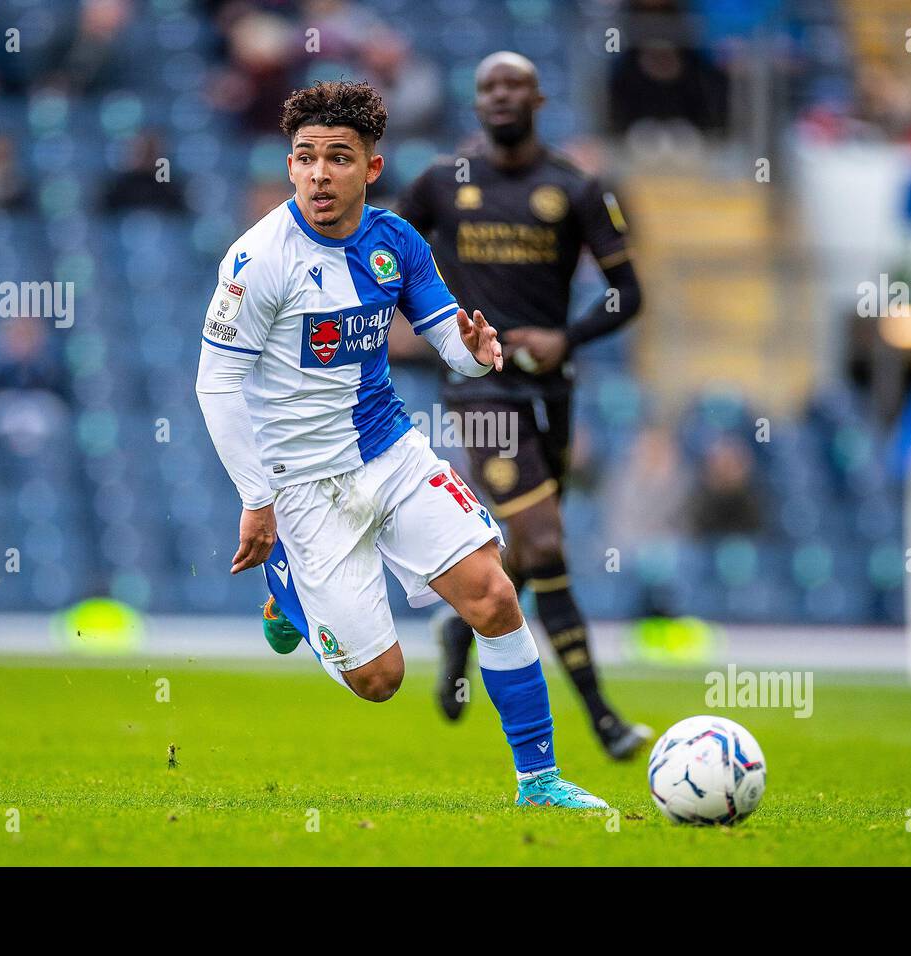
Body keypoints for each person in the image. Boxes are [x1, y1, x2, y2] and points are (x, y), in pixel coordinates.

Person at [194, 80, 606, 808]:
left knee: (494, 595)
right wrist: (258, 501)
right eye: (305, 158)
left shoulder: (396, 242)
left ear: (371, 169)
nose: (319, 173)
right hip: (304, 487)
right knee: (380, 682)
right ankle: (287, 588)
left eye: (338, 158)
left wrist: (479, 352)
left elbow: (452, 343)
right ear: (290, 166)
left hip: (391, 453)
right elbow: (216, 385)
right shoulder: (258, 261)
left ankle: (538, 781)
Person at [399, 52, 651, 759]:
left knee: (529, 552)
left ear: (538, 98)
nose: (500, 96)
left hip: (552, 391)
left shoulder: (576, 188)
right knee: (544, 543)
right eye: (487, 88)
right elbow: (384, 254)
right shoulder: (441, 183)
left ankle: (459, 628)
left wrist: (565, 337)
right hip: (479, 390)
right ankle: (603, 720)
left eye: (513, 85)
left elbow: (628, 293)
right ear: (476, 103)